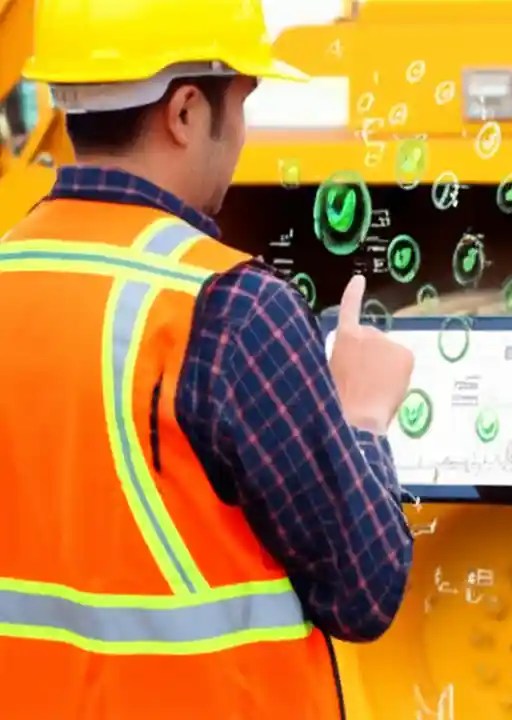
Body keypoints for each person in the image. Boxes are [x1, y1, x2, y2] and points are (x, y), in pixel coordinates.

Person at [0, 0, 416, 718]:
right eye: (243, 103)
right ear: (187, 111)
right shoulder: (227, 306)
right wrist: (364, 419)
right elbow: (364, 590)